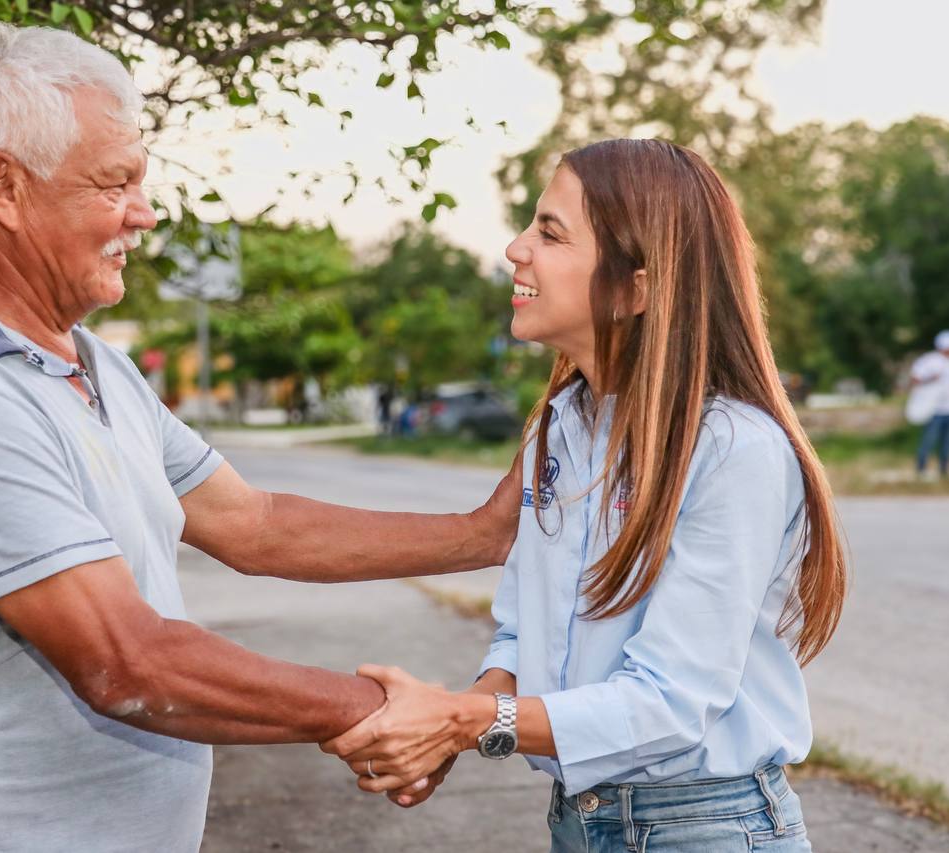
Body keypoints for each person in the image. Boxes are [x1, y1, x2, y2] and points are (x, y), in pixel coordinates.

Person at [0, 23, 521, 853]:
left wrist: (488, 534)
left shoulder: (92, 365)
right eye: (114, 183)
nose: (144, 213)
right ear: (4, 188)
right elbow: (126, 661)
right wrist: (381, 714)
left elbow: (255, 523)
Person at [321, 139, 849, 852]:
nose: (515, 248)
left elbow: (669, 704)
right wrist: (448, 728)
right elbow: (521, 634)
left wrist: (461, 721)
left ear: (638, 287)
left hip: (709, 828)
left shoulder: (733, 449)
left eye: (550, 232)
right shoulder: (558, 426)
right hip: (580, 818)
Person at [909, 330, 949, 480]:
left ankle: (944, 470)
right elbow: (915, 380)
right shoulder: (929, 360)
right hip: (933, 410)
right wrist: (930, 378)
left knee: (948, 442)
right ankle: (921, 469)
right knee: (929, 440)